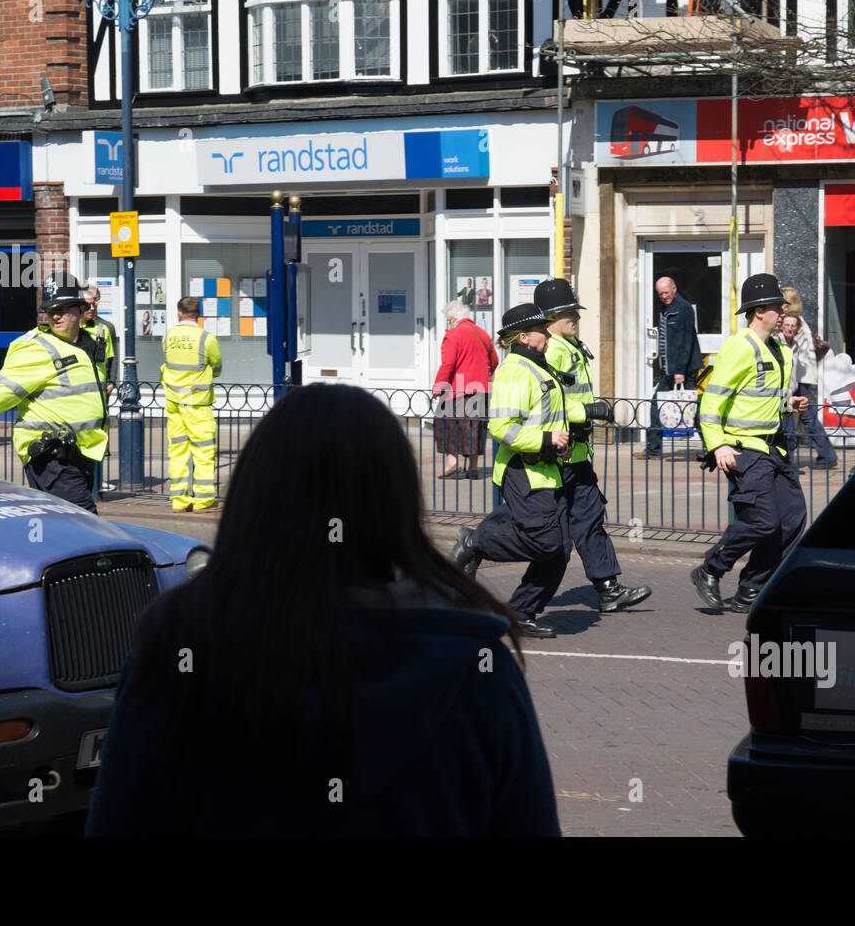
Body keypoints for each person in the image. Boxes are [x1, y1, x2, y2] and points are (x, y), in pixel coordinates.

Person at [85, 384, 560, 836]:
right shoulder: (475, 667)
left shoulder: (179, 646)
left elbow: (119, 820)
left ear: (254, 498)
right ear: (395, 505)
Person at [449, 304, 588, 638]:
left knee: (560, 549)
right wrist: (545, 438)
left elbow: (548, 413)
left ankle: (521, 613)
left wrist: (571, 428)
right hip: (522, 471)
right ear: (524, 337)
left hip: (547, 469)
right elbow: (502, 428)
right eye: (541, 329)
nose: (547, 333)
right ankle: (476, 542)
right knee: (546, 543)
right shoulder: (515, 369)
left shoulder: (537, 365)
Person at [692, 274, 809, 615]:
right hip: (743, 449)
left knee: (791, 518)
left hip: (776, 448)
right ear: (760, 311)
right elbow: (711, 404)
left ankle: (751, 588)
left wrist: (791, 406)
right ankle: (711, 569)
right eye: (777, 306)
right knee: (762, 521)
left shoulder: (777, 349)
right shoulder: (738, 347)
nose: (782, 311)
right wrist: (718, 446)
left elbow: (762, 399)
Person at [0, 272, 109, 514]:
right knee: (84, 523)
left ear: (80, 309)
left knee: (61, 528)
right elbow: (0, 391)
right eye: (50, 309)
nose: (55, 315)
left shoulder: (92, 342)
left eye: (63, 308)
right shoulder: (37, 347)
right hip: (52, 456)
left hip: (83, 453)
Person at [535, 278, 652, 613]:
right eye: (568, 311)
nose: (576, 316)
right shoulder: (552, 350)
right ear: (550, 317)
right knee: (533, 528)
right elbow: (547, 403)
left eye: (575, 309)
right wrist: (585, 412)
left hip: (578, 452)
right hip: (556, 454)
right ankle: (476, 544)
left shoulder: (570, 346)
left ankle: (608, 589)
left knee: (589, 518)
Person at [161, 296, 222, 512]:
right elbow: (217, 366)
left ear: (179, 312)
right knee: (203, 451)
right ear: (199, 313)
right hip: (197, 404)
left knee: (177, 450)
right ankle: (203, 500)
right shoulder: (206, 338)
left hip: (173, 402)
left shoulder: (169, 336)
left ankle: (179, 500)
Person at [638, 276, 704, 458]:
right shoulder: (665, 308)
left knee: (692, 408)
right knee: (655, 405)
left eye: (666, 292)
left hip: (682, 370)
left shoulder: (683, 309)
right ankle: (653, 449)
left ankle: (711, 447)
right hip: (669, 369)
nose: (664, 296)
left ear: (674, 290)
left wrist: (679, 371)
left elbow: (684, 342)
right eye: (660, 294)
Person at [432, 300, 497, 479]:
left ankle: (452, 463)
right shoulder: (483, 334)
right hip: (481, 389)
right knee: (475, 428)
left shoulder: (453, 335)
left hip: (457, 390)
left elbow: (448, 364)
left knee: (446, 424)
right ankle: (474, 468)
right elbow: (494, 361)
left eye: (448, 320)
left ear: (452, 319)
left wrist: (439, 387)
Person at [779, 289, 837, 470]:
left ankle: (824, 455)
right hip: (799, 377)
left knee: (799, 416)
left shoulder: (791, 323)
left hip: (796, 378)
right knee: (804, 416)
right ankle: (826, 454)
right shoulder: (797, 321)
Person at [81, 285, 119, 492]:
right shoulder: (73, 330)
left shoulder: (105, 328)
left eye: (95, 302)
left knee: (99, 434)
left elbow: (111, 357)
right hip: (80, 392)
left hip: (100, 390)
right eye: (88, 304)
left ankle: (99, 479)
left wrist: (112, 380)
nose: (93, 307)